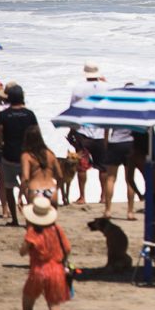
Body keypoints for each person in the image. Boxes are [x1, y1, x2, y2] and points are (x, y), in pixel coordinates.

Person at [18, 196, 70, 310]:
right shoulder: (57, 229)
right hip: (56, 270)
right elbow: (67, 249)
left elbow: (22, 252)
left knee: (27, 306)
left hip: (39, 270)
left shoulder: (32, 232)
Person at [68, 62, 107, 208]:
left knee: (82, 166)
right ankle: (103, 196)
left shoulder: (78, 88)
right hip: (102, 132)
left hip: (83, 132)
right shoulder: (106, 87)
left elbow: (73, 110)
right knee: (103, 167)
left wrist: (71, 130)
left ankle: (82, 197)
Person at [0, 85, 37, 226]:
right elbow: (35, 134)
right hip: (26, 155)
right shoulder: (29, 114)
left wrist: (1, 145)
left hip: (9, 155)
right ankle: (30, 219)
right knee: (28, 187)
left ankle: (14, 219)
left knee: (9, 187)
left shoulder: (3, 115)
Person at [19, 126, 61, 206]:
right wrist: (56, 188)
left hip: (36, 190)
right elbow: (60, 175)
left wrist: (20, 196)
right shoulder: (50, 154)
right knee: (51, 214)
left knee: (34, 214)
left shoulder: (27, 156)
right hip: (51, 190)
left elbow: (25, 178)